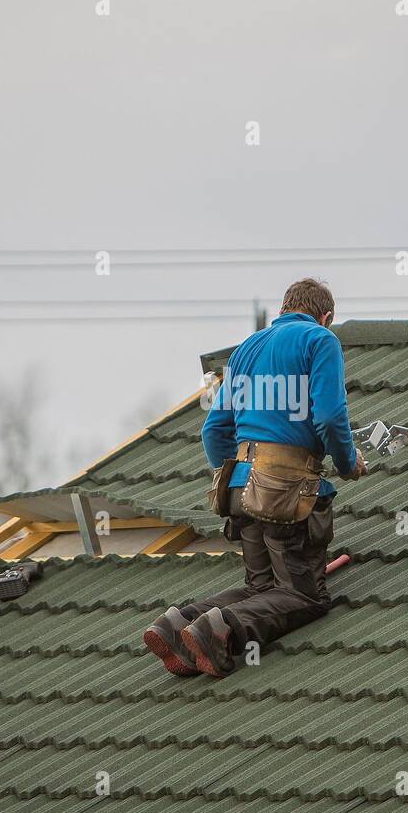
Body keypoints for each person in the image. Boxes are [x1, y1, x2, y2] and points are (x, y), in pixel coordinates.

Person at [143, 278, 364, 678]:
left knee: (263, 589)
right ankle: (220, 629)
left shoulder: (246, 348)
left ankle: (177, 625)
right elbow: (331, 417)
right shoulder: (320, 341)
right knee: (304, 596)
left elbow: (214, 430)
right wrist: (348, 463)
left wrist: (240, 471)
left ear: (283, 309)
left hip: (239, 491)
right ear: (326, 317)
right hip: (286, 496)